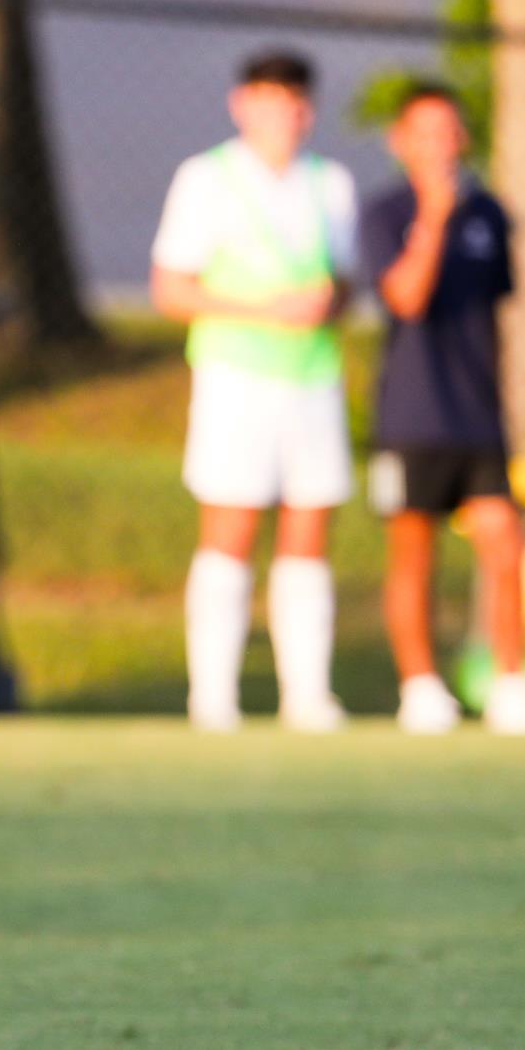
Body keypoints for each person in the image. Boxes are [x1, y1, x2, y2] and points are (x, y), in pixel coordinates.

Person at [151, 49, 356, 733]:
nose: (284, 117)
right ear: (242, 105)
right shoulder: (206, 179)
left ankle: (309, 695)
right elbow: (171, 288)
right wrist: (268, 310)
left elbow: (346, 282)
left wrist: (329, 302)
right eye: (269, 101)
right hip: (235, 379)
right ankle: (213, 697)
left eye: (295, 103)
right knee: (230, 530)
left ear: (310, 109)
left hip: (314, 379)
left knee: (308, 531)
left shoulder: (331, 184)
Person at [358, 83, 525, 734]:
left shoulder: (488, 211)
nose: (439, 145)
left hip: (478, 418)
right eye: (423, 132)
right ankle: (421, 686)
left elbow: (499, 314)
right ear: (400, 142)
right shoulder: (387, 212)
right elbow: (404, 298)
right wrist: (432, 219)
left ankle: (512, 682)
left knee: (503, 542)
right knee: (413, 551)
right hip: (411, 417)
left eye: (448, 131)